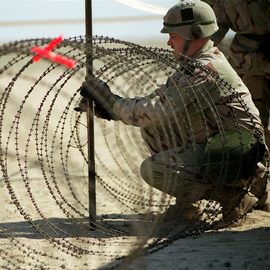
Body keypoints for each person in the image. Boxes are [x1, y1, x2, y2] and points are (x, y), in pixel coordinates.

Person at [76, 0, 268, 228]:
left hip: (238, 156)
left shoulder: (205, 70)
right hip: (219, 142)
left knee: (153, 170)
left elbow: (158, 110)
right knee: (154, 128)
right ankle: (188, 206)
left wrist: (113, 104)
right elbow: (156, 103)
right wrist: (109, 107)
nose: (168, 42)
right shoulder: (193, 65)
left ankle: (234, 199)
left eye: (173, 36)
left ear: (193, 35)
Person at [201, 0, 270, 213]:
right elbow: (214, 26)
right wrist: (195, 55)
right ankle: (260, 192)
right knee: (251, 130)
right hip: (248, 62)